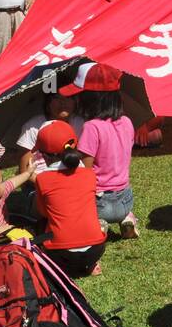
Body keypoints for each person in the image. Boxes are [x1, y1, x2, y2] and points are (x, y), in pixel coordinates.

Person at [63, 62, 139, 239]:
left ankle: (98, 222)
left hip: (100, 202)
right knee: (120, 205)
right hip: (125, 198)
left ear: (90, 98)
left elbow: (86, 172)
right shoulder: (127, 122)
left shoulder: (91, 127)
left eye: (78, 95)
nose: (74, 100)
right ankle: (126, 217)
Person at [33, 120, 106, 277]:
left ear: (44, 155)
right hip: (96, 250)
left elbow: (43, 213)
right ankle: (90, 265)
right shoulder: (89, 174)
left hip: (60, 254)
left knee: (40, 224)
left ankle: (57, 267)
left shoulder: (43, 179)